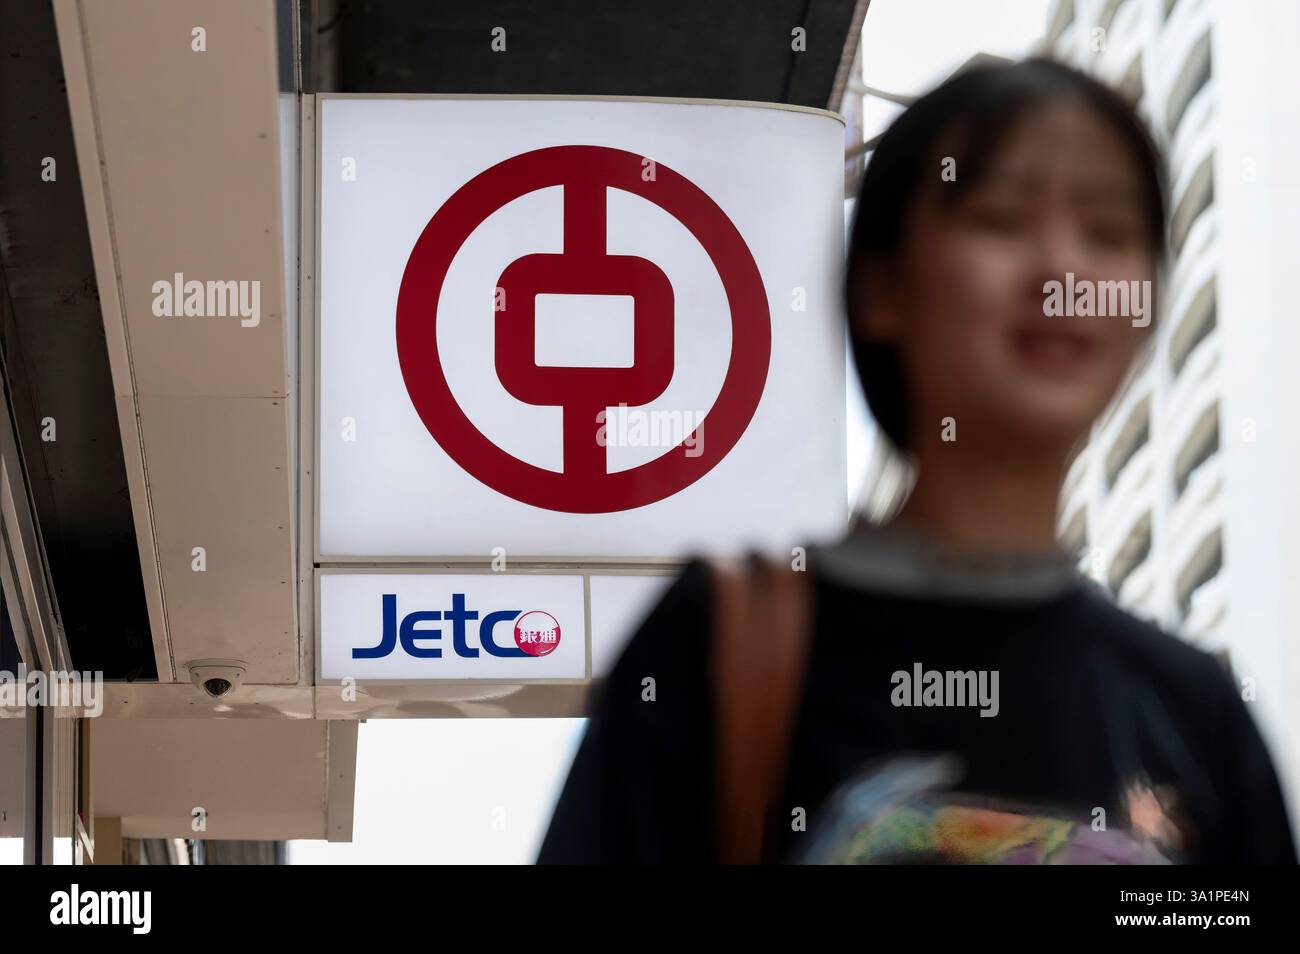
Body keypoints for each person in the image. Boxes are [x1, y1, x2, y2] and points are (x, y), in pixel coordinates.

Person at [537, 58, 1297, 864]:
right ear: (881, 287)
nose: (1062, 273)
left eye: (1109, 233)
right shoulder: (720, 645)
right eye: (1001, 218)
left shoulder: (1193, 713)